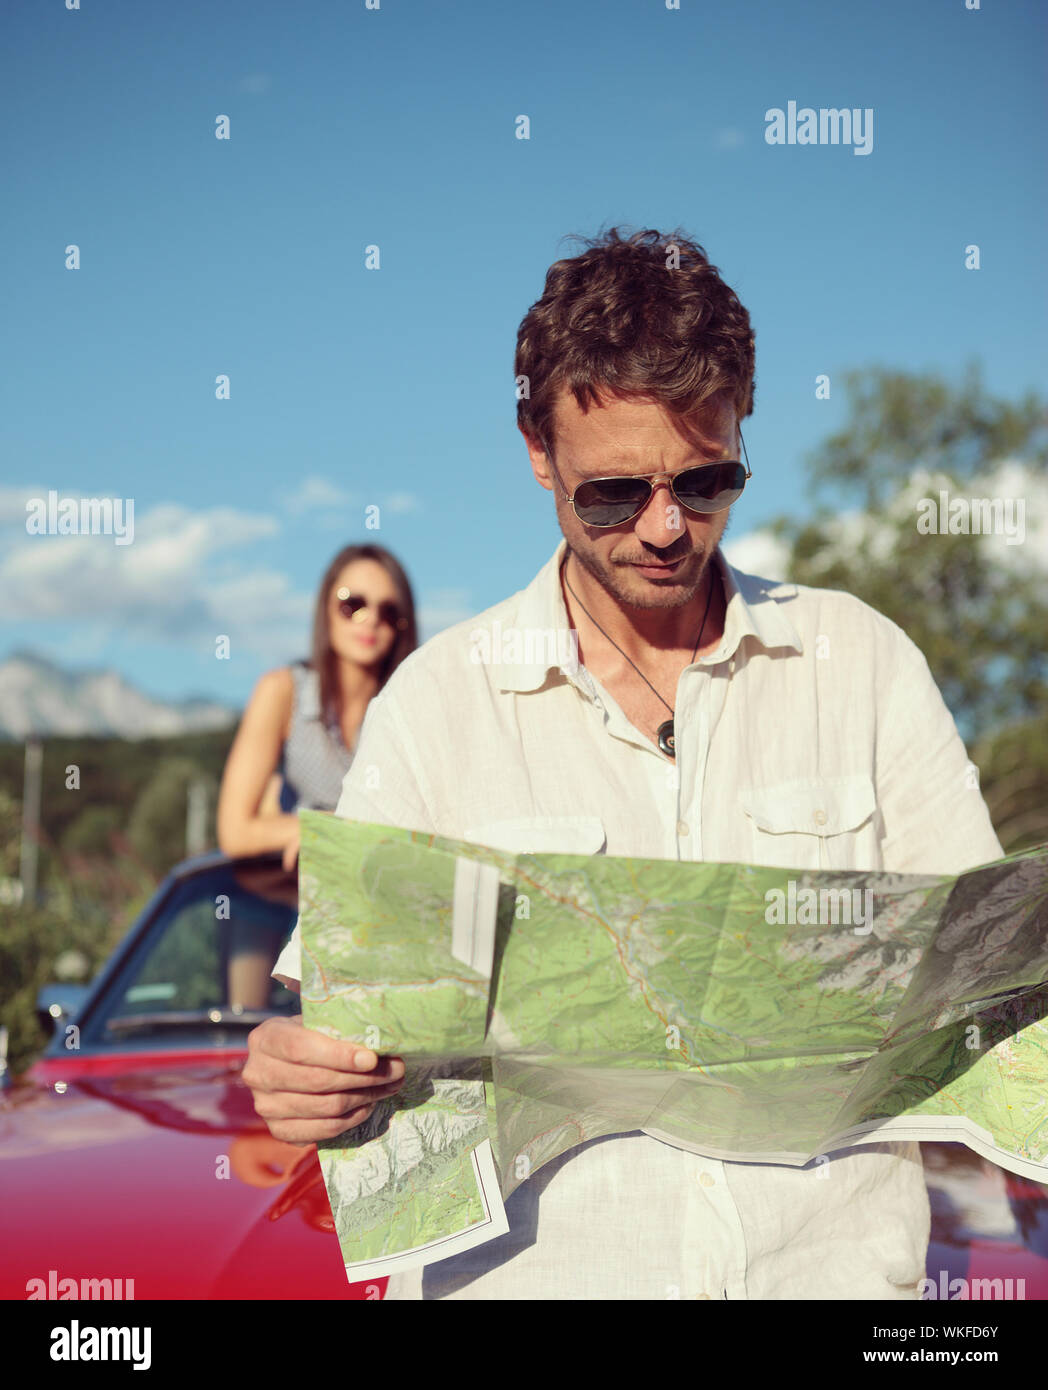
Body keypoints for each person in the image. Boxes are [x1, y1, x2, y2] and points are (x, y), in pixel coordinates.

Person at [241, 227, 1003, 1299]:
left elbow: (988, 987)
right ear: (536, 450)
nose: (661, 527)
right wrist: (302, 1075)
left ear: (743, 433)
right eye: (611, 491)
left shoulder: (864, 665)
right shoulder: (435, 708)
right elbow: (346, 1030)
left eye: (705, 481)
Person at [216, 542, 417, 1008]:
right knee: (247, 1028)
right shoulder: (283, 691)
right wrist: (320, 829)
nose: (369, 620)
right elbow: (236, 830)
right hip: (284, 893)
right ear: (325, 607)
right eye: (353, 603)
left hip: (373, 903)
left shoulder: (410, 707)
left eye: (389, 612)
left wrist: (330, 831)